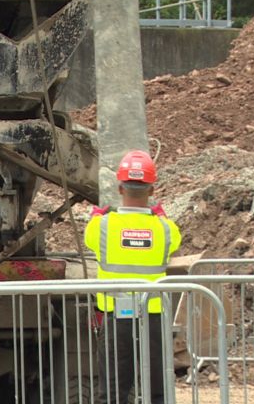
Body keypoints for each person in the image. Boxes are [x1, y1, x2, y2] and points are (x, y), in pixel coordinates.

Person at [85, 150, 182, 404]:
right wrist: (161, 217)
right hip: (153, 317)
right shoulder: (165, 229)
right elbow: (174, 242)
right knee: (157, 391)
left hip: (116, 317)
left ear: (120, 188)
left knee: (113, 392)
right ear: (151, 190)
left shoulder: (101, 226)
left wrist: (96, 216)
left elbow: (90, 238)